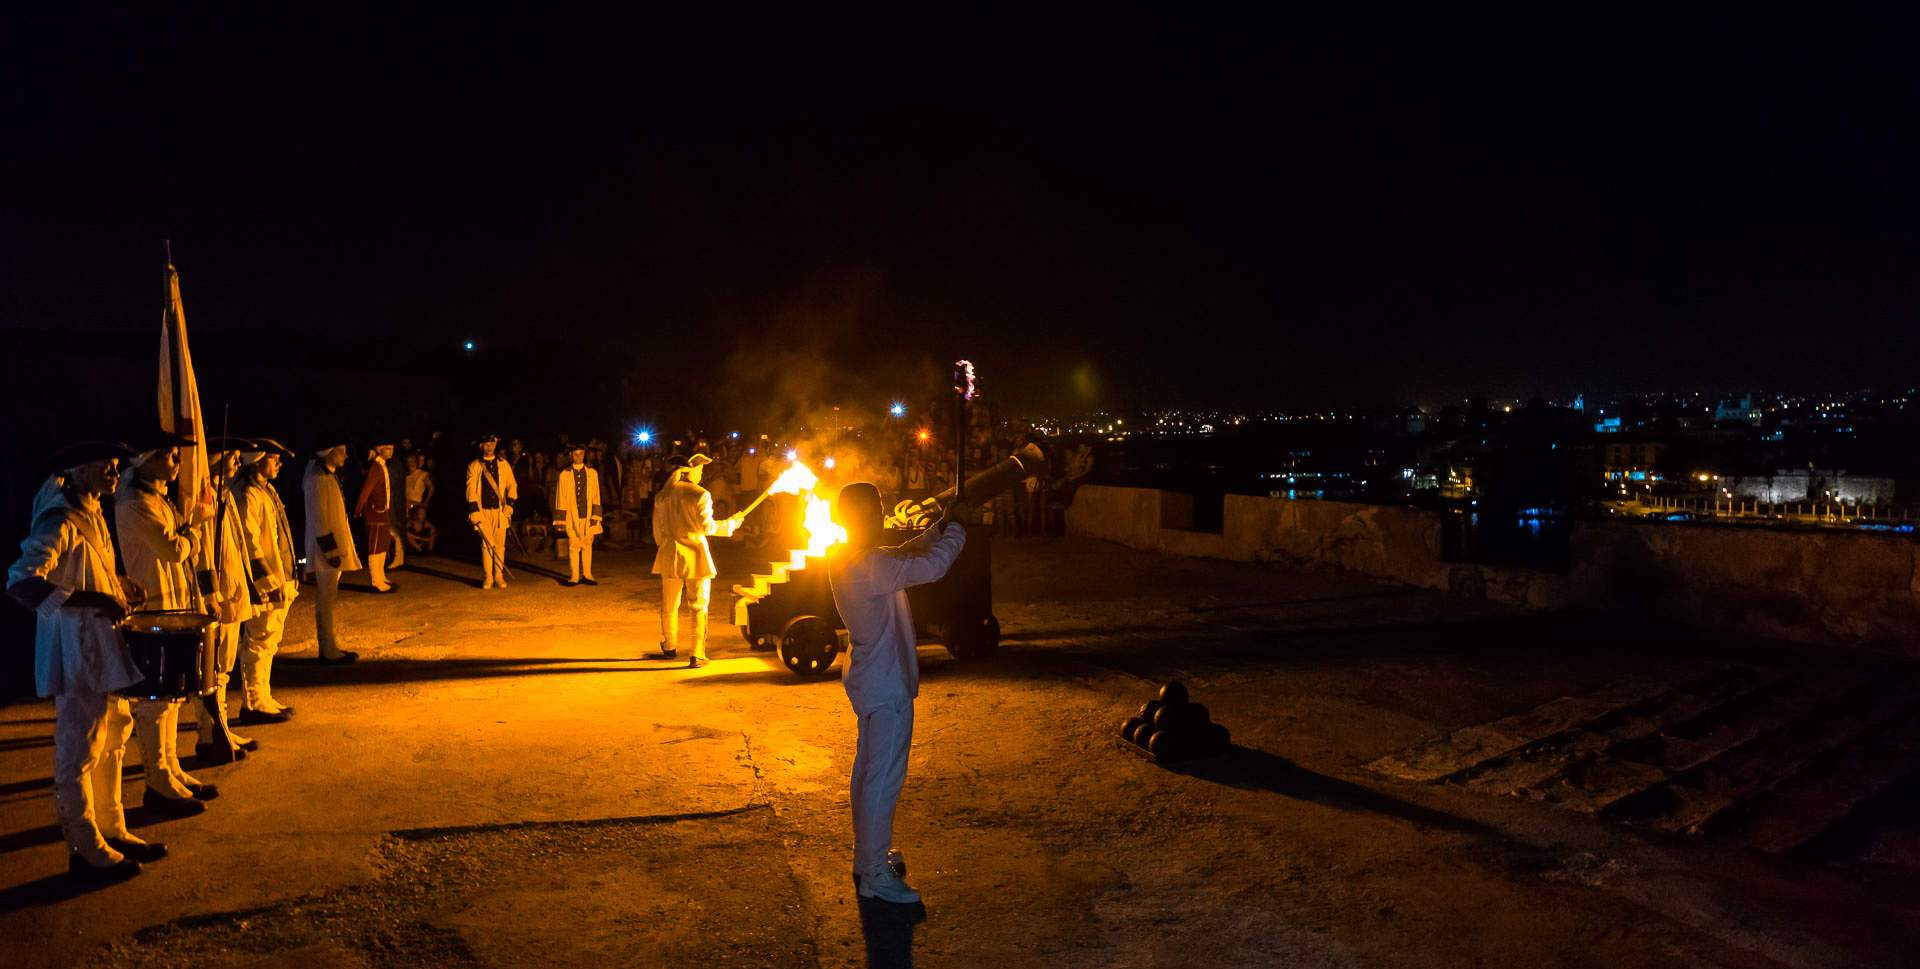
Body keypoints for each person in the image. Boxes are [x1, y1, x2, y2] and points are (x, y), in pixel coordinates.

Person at [7, 441, 164, 880]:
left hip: (101, 647)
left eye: (116, 464)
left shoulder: (91, 513)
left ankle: (112, 828)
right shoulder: (59, 519)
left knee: (113, 735)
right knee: (78, 749)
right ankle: (85, 849)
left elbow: (82, 570)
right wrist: (94, 599)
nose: (116, 471)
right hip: (76, 652)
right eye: (106, 464)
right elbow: (22, 583)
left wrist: (118, 584)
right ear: (78, 471)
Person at [827, 482, 969, 906]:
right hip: (885, 683)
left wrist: (938, 526)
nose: (883, 514)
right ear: (866, 516)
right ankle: (873, 874)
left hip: (872, 679)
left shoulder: (849, 556)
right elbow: (931, 567)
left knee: (868, 774)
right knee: (882, 780)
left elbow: (906, 556)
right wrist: (959, 528)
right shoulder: (868, 564)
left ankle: (867, 857)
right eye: (878, 509)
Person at [112, 434, 217, 816]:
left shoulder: (157, 498)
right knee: (155, 702)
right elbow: (173, 550)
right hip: (153, 610)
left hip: (172, 605)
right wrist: (198, 526)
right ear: (146, 461)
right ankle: (156, 782)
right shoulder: (134, 504)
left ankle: (172, 769)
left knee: (172, 696)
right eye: (170, 456)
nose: (177, 463)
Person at [194, 437, 259, 763]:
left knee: (225, 668)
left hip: (234, 591)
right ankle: (209, 733)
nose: (237, 460)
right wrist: (210, 593)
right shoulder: (205, 497)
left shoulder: (225, 494)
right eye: (230, 456)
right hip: (219, 595)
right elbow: (204, 550)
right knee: (213, 668)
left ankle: (222, 726)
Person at [650, 453, 744, 667]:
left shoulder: (662, 495)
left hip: (669, 553)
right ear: (689, 470)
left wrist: (665, 547)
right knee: (698, 604)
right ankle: (696, 652)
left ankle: (670, 644)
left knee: (669, 604)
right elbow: (707, 527)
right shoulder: (700, 494)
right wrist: (731, 524)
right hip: (694, 555)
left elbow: (658, 530)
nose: (701, 473)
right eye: (699, 469)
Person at [235, 437, 300, 724]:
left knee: (270, 640)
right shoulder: (248, 493)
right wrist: (265, 580)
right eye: (274, 458)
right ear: (259, 460)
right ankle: (253, 703)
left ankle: (264, 696)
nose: (279, 463)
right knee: (258, 640)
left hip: (280, 577)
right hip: (267, 581)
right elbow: (250, 541)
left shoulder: (266, 490)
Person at [303, 442, 361, 663]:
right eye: (342, 452)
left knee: (329, 597)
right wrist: (330, 551)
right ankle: (327, 650)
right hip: (326, 550)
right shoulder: (317, 479)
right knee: (326, 598)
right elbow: (319, 518)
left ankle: (330, 646)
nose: (345, 457)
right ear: (329, 453)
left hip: (330, 548)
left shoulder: (326, 476)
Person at [465, 434, 518, 589]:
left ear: (495, 445)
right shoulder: (474, 466)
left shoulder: (504, 464)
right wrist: (474, 511)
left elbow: (512, 485)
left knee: (500, 546)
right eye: (486, 444)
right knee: (487, 544)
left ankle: (499, 577)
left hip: (500, 511)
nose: (489, 447)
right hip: (483, 511)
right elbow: (471, 490)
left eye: (492, 444)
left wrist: (510, 504)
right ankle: (488, 577)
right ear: (481, 446)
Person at [552, 443, 602, 586]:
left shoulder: (592, 473)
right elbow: (560, 496)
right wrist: (560, 520)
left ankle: (587, 574)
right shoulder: (565, 474)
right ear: (571, 456)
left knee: (587, 544)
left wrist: (595, 515)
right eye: (575, 454)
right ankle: (574, 575)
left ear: (584, 455)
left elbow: (596, 495)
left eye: (581, 454)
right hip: (571, 515)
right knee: (573, 544)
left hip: (587, 515)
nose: (579, 456)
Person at [354, 439, 397, 593]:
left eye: (392, 448)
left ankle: (381, 575)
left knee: (383, 544)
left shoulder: (382, 466)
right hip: (375, 513)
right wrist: (358, 509)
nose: (391, 451)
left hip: (382, 512)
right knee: (375, 546)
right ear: (380, 449)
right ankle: (375, 580)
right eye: (388, 448)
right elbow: (366, 490)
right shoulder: (376, 468)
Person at [402, 450, 434, 551]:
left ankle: (424, 548)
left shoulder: (422, 474)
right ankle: (414, 547)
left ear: (416, 462)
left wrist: (426, 502)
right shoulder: (405, 476)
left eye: (412, 461)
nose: (410, 463)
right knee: (405, 526)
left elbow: (431, 488)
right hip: (405, 504)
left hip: (416, 505)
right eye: (408, 461)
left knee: (417, 526)